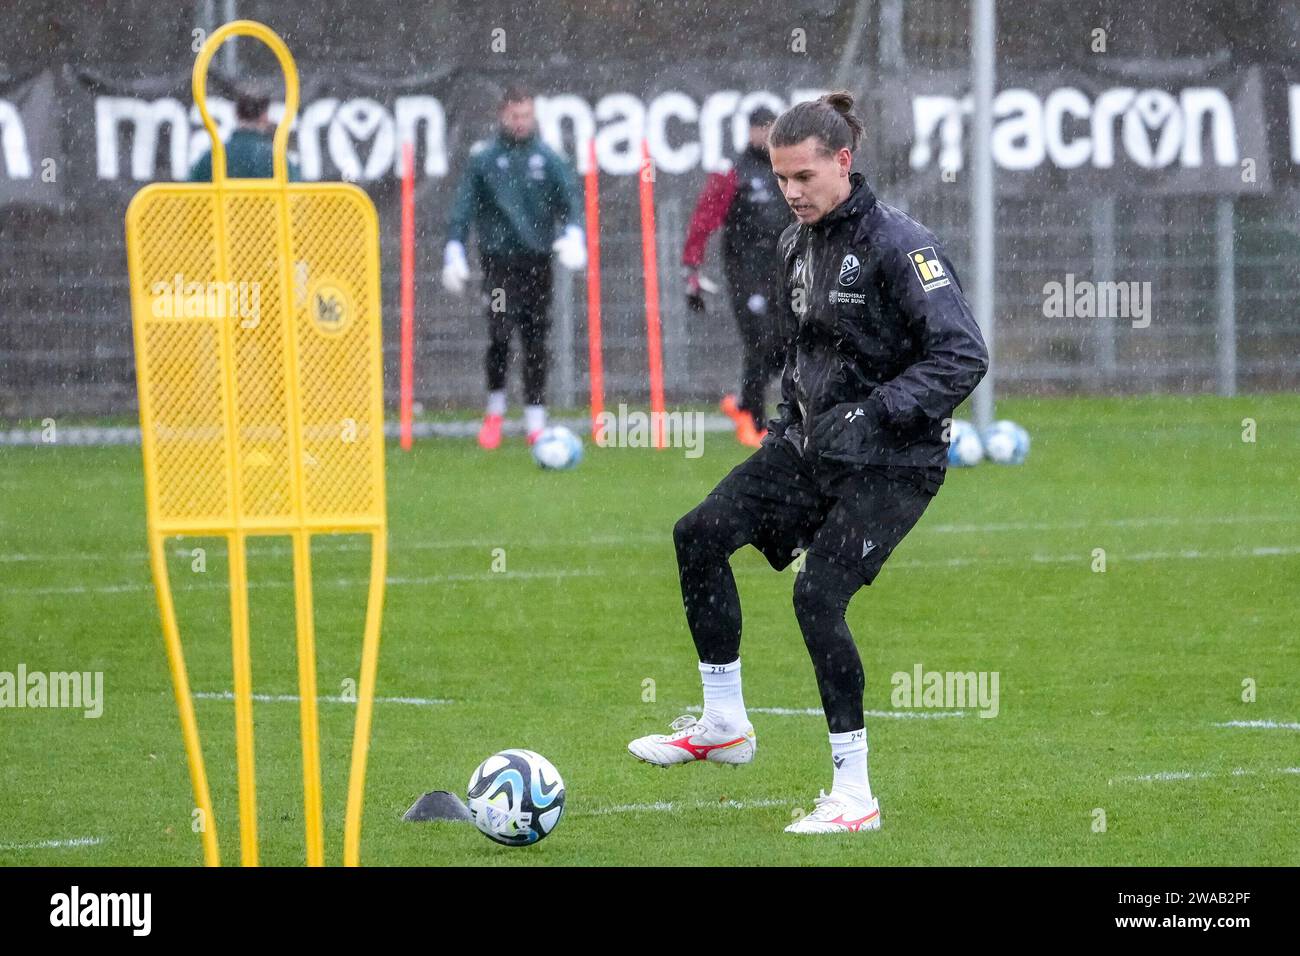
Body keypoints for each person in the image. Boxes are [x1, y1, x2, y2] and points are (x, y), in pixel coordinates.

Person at [627, 91, 989, 835]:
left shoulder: (900, 243)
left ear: (844, 162)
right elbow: (805, 354)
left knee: (817, 596)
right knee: (697, 535)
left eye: (804, 176)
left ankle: (853, 796)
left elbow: (963, 354)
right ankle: (724, 724)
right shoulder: (798, 243)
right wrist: (792, 425)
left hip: (897, 463)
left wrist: (876, 412)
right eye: (781, 177)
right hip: (809, 447)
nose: (791, 192)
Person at [442, 85, 586, 448]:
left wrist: (573, 233)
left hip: (536, 264)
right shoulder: (484, 159)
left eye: (526, 115)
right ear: (502, 116)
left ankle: (536, 418)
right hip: (499, 267)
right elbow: (463, 206)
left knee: (536, 337)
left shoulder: (547, 158)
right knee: (501, 332)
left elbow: (570, 200)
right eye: (515, 116)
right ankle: (495, 412)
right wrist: (454, 247)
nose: (521, 122)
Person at [681, 107, 791, 447]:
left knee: (784, 344)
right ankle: (754, 421)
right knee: (758, 341)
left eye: (770, 129)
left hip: (783, 270)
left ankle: (744, 403)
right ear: (749, 132)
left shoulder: (787, 170)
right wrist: (692, 267)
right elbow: (704, 219)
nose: (765, 136)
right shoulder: (733, 171)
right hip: (745, 271)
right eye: (760, 129)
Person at [188, 83, 299, 181]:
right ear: (265, 116)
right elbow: (296, 191)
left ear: (236, 114)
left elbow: (192, 189)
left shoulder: (213, 157)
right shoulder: (277, 159)